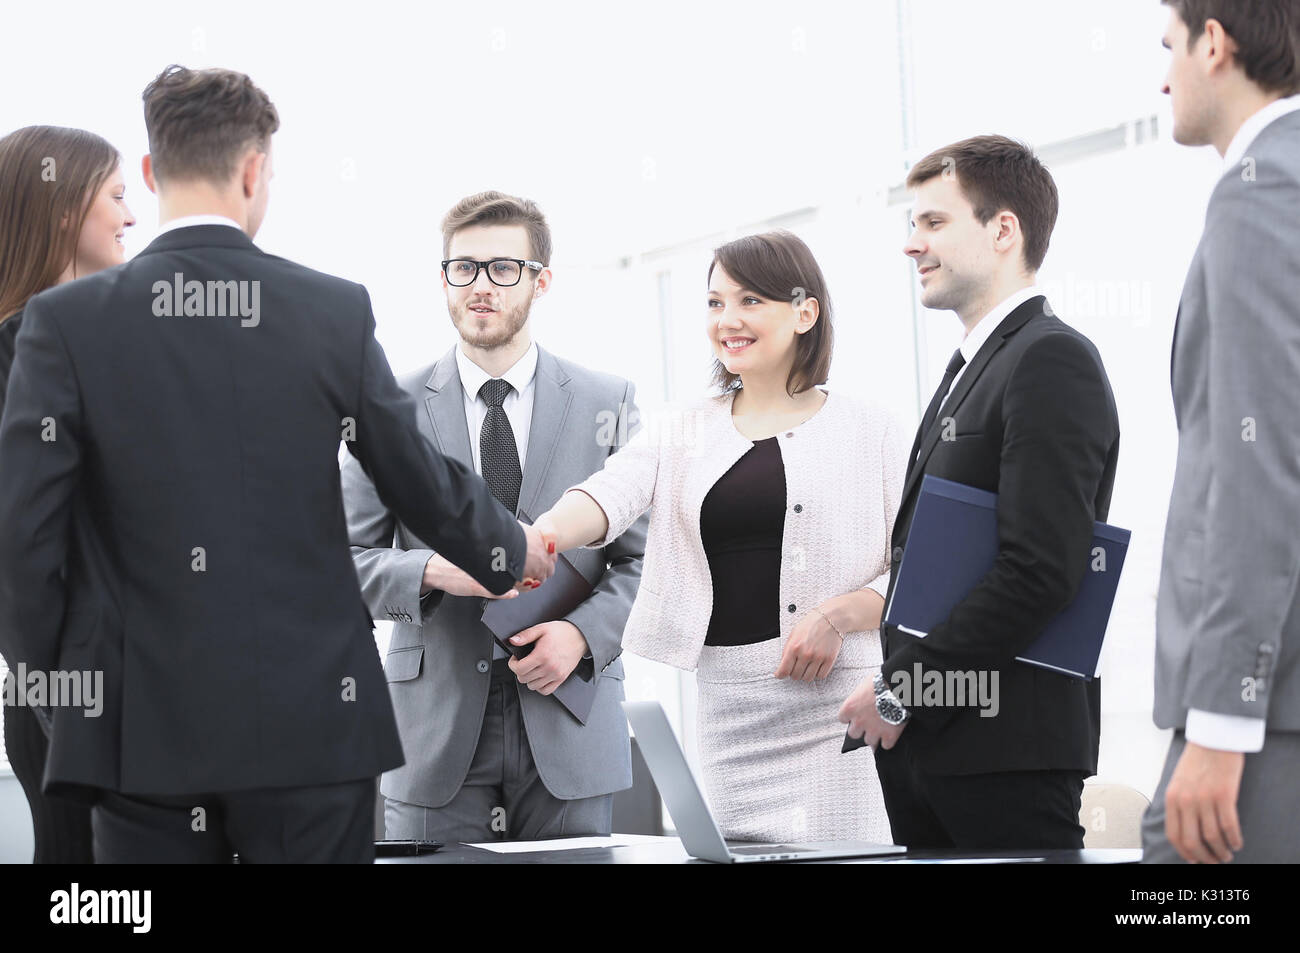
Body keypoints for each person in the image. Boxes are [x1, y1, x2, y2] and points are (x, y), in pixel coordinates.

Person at [0, 65, 555, 864]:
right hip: (310, 726)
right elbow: (416, 478)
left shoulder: (63, 323)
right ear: (255, 170)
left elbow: (24, 545)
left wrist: (66, 696)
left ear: (153, 173)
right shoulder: (328, 309)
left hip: (138, 734)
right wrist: (509, 550)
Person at [533, 230, 903, 845]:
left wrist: (838, 616)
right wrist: (540, 537)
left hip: (843, 706)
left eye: (751, 301)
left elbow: (919, 571)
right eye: (714, 302)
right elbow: (608, 494)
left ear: (805, 312)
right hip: (730, 707)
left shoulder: (874, 430)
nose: (727, 320)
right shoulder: (683, 429)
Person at [838, 135, 1121, 850]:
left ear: (1004, 230)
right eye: (913, 224)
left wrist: (905, 689)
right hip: (936, 751)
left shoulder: (1050, 359)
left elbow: (1041, 568)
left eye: (934, 222)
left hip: (1005, 753)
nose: (913, 244)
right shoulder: (975, 366)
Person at [341, 191, 648, 842]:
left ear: (542, 280)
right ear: (444, 278)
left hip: (569, 720)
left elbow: (646, 560)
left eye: (504, 268)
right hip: (435, 735)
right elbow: (345, 562)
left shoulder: (608, 400)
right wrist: (435, 571)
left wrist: (582, 638)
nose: (481, 286)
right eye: (464, 268)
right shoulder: (387, 405)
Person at [1143, 0, 1300, 864]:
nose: (1163, 76)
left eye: (1169, 46)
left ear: (1216, 42)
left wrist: (1221, 719)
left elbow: (1261, 463)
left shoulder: (1262, 187)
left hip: (1268, 714)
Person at [0, 124, 136, 864]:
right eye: (116, 194)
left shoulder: (123, 344)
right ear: (59, 210)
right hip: (63, 695)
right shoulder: (12, 354)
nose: (131, 214)